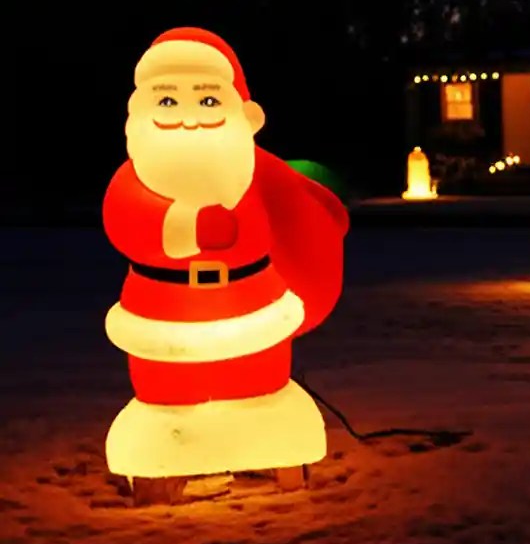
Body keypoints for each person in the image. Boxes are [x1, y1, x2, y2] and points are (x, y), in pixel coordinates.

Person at [101, 27, 348, 488]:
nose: (188, 118)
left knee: (259, 378)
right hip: (163, 313)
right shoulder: (133, 181)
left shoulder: (255, 173)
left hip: (254, 306)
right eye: (167, 100)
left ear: (245, 116)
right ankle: (169, 437)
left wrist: (318, 224)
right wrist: (184, 227)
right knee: (169, 385)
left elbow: (295, 209)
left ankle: (267, 427)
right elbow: (124, 219)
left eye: (209, 100)